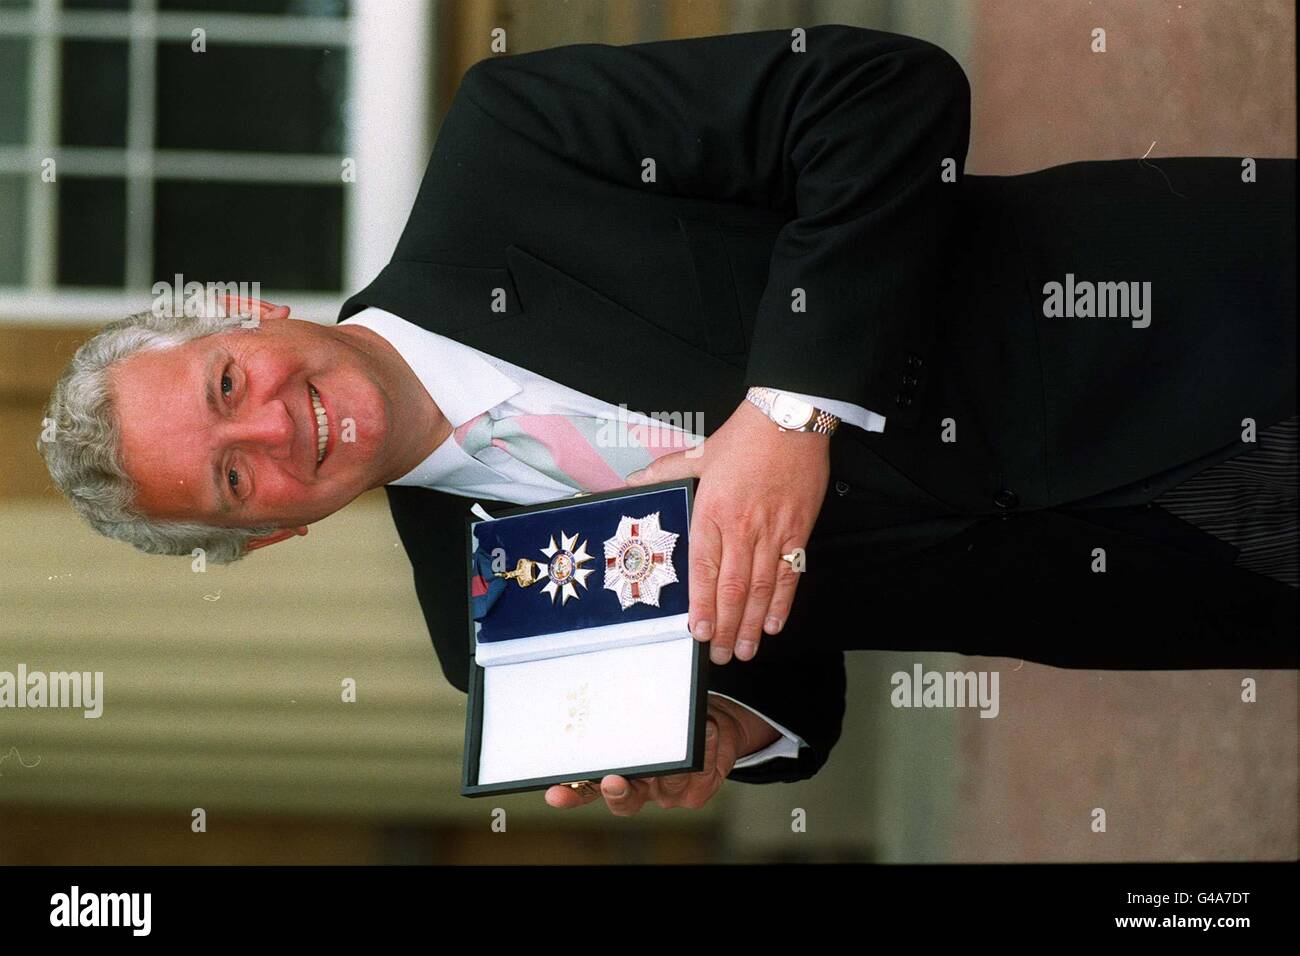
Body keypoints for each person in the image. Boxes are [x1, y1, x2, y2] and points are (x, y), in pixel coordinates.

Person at [39, 25, 1297, 816]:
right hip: (1172, 582)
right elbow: (796, 669)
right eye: (233, 484)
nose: (270, 431)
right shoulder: (489, 628)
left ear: (247, 314)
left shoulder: (511, 149)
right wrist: (725, 729)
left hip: (1189, 317)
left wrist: (789, 407)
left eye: (223, 387)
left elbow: (880, 93)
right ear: (269, 540)